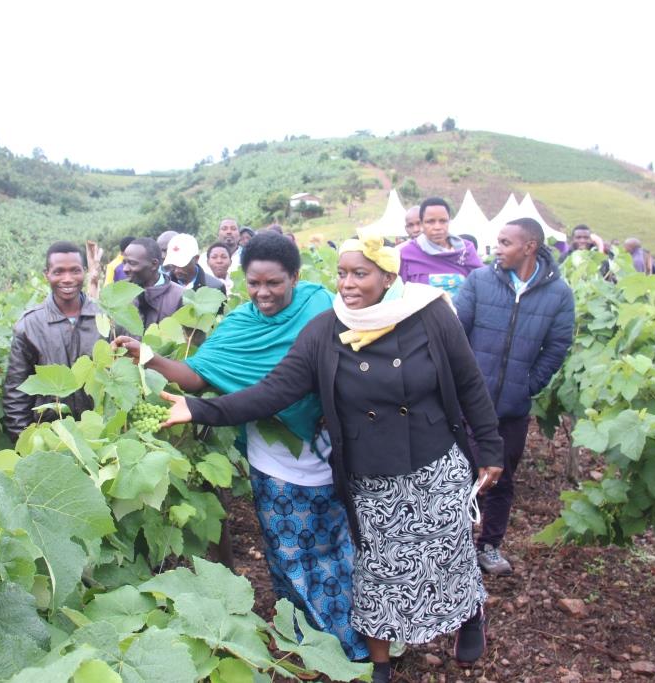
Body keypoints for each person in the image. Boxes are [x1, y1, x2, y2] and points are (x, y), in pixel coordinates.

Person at [163, 236, 504, 679]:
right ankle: (379, 665)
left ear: (387, 277)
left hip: (433, 459)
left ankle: (467, 613)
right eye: (342, 273)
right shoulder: (325, 329)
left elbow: (469, 382)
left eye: (360, 274)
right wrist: (198, 408)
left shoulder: (429, 313)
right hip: (369, 470)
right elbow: (274, 392)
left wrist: (491, 448)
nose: (347, 284)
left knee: (447, 552)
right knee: (377, 572)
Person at [115, 232, 367, 661]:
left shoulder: (321, 305)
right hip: (276, 463)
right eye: (254, 283)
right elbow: (198, 374)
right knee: (290, 556)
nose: (263, 293)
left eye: (274, 283)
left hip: (331, 451)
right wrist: (150, 357)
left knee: (338, 548)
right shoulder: (239, 326)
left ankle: (354, 643)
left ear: (296, 277)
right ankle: (315, 645)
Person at [455, 218, 575, 576]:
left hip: (512, 408)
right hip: (468, 406)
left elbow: (557, 346)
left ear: (530, 246)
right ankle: (455, 549)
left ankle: (488, 547)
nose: (497, 249)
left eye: (506, 242)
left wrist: (527, 384)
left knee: (501, 480)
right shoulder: (479, 281)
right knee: (461, 476)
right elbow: (458, 333)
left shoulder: (559, 294)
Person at [3, 241, 108, 441]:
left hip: (99, 436)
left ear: (85, 271)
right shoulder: (29, 326)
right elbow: (16, 395)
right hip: (51, 439)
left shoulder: (105, 319)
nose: (67, 279)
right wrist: (27, 445)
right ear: (46, 274)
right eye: (58, 272)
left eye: (75, 271)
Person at [398, 197, 483, 296]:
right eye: (430, 221)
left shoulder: (466, 250)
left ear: (449, 221)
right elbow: (400, 294)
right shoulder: (407, 254)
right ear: (422, 223)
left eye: (443, 221)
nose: (437, 227)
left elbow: (483, 285)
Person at [123, 237, 185, 328]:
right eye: (124, 262)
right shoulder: (121, 294)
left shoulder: (180, 297)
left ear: (154, 264)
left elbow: (188, 340)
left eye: (132, 263)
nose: (125, 269)